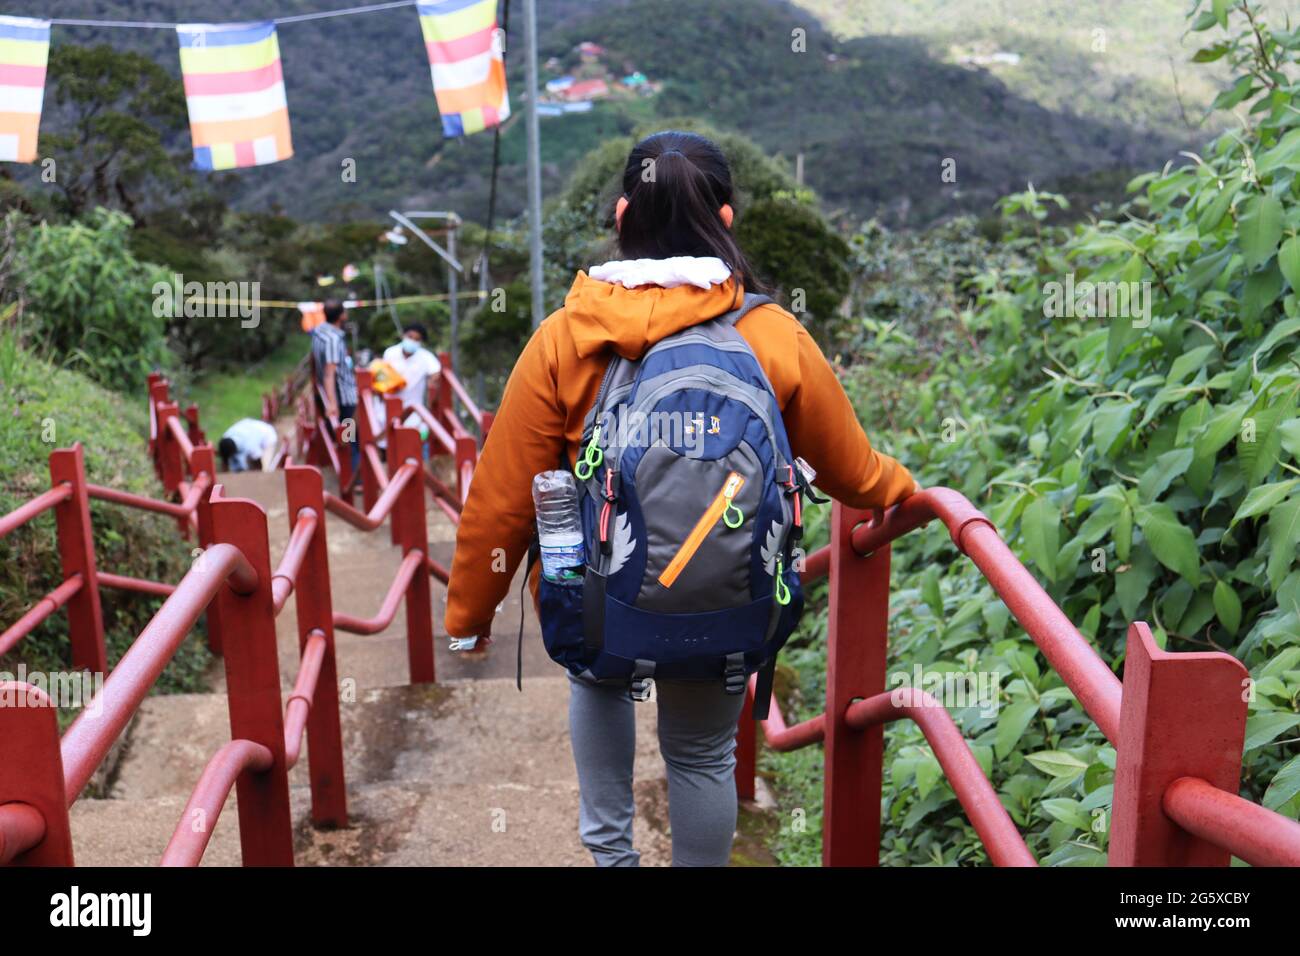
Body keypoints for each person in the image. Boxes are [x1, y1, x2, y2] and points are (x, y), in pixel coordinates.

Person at [442, 130, 918, 867]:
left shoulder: (566, 338)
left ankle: (612, 859)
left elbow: (502, 499)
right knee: (700, 757)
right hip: (724, 598)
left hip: (599, 595)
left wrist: (469, 615)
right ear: (725, 221)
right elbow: (852, 470)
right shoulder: (771, 334)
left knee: (598, 684)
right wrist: (907, 491)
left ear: (622, 213)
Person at [310, 299, 361, 471]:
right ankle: (354, 477)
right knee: (351, 438)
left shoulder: (319, 332)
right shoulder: (333, 339)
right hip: (344, 397)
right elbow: (329, 373)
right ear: (342, 315)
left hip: (338, 394)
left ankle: (351, 472)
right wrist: (333, 404)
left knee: (348, 437)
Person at [375, 323, 442, 448]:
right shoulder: (390, 353)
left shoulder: (426, 357)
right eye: (410, 337)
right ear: (403, 336)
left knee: (415, 439)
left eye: (417, 339)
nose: (412, 341)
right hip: (389, 406)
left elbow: (436, 372)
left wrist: (433, 383)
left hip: (413, 408)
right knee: (386, 440)